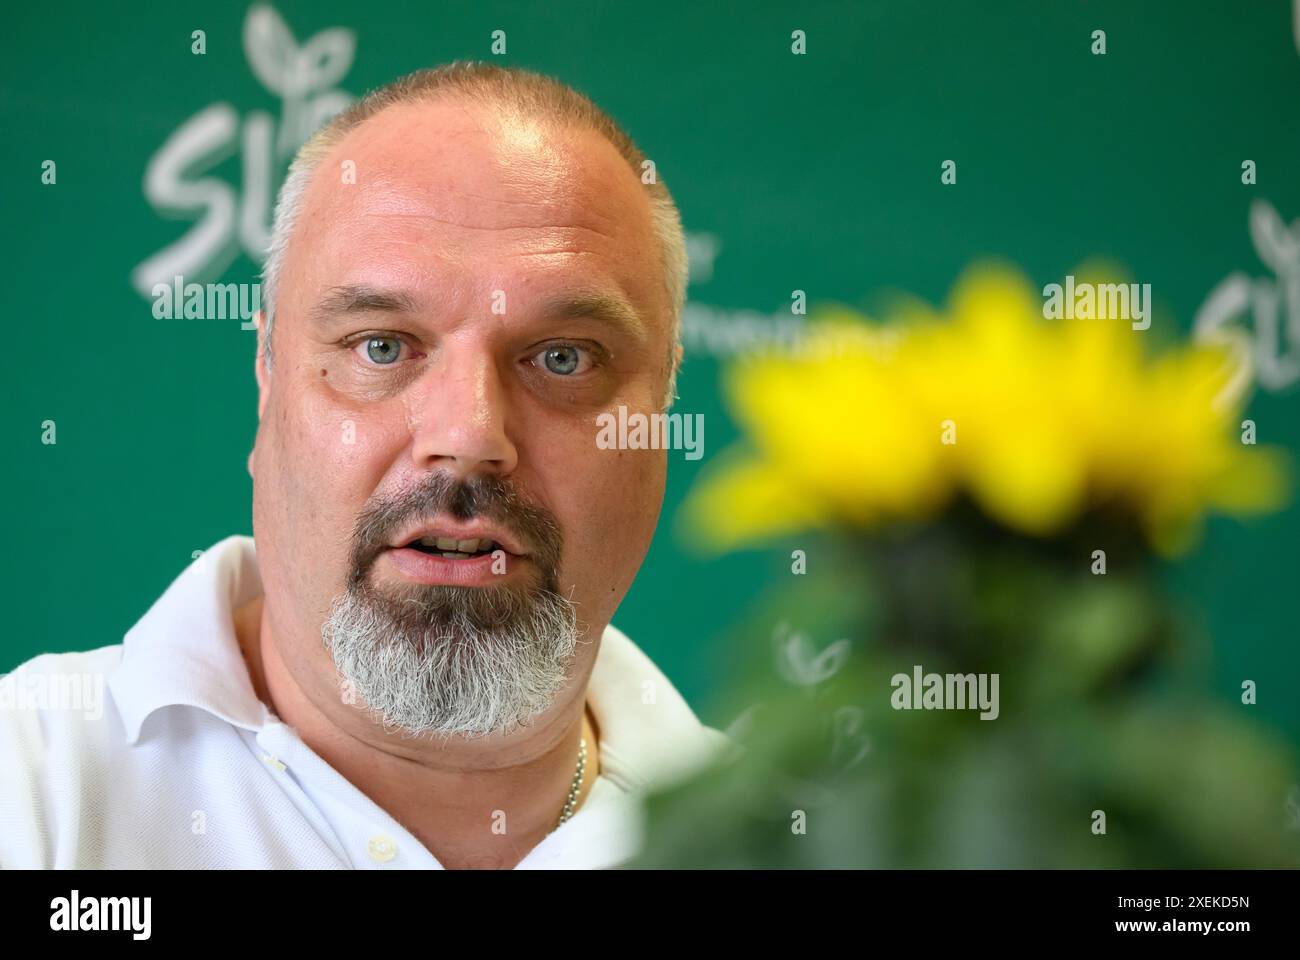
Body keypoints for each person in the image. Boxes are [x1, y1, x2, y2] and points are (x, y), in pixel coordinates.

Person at [0, 61, 734, 870]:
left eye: (562, 358)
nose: (468, 434)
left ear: (663, 406)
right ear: (268, 379)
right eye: (380, 346)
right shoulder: (30, 790)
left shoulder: (805, 841)